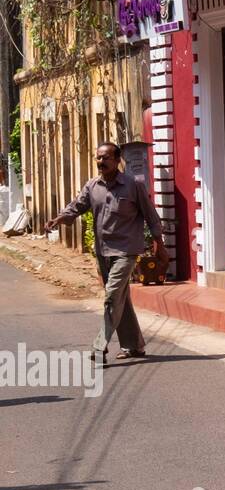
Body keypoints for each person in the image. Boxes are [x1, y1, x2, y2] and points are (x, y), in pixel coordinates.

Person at [43, 142, 167, 365]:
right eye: (98, 158)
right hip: (103, 251)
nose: (101, 162)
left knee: (111, 296)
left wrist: (159, 243)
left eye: (105, 158)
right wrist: (59, 219)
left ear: (118, 159)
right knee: (121, 298)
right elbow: (76, 207)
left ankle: (99, 346)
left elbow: (150, 215)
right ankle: (134, 345)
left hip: (126, 251)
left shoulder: (133, 185)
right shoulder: (92, 186)